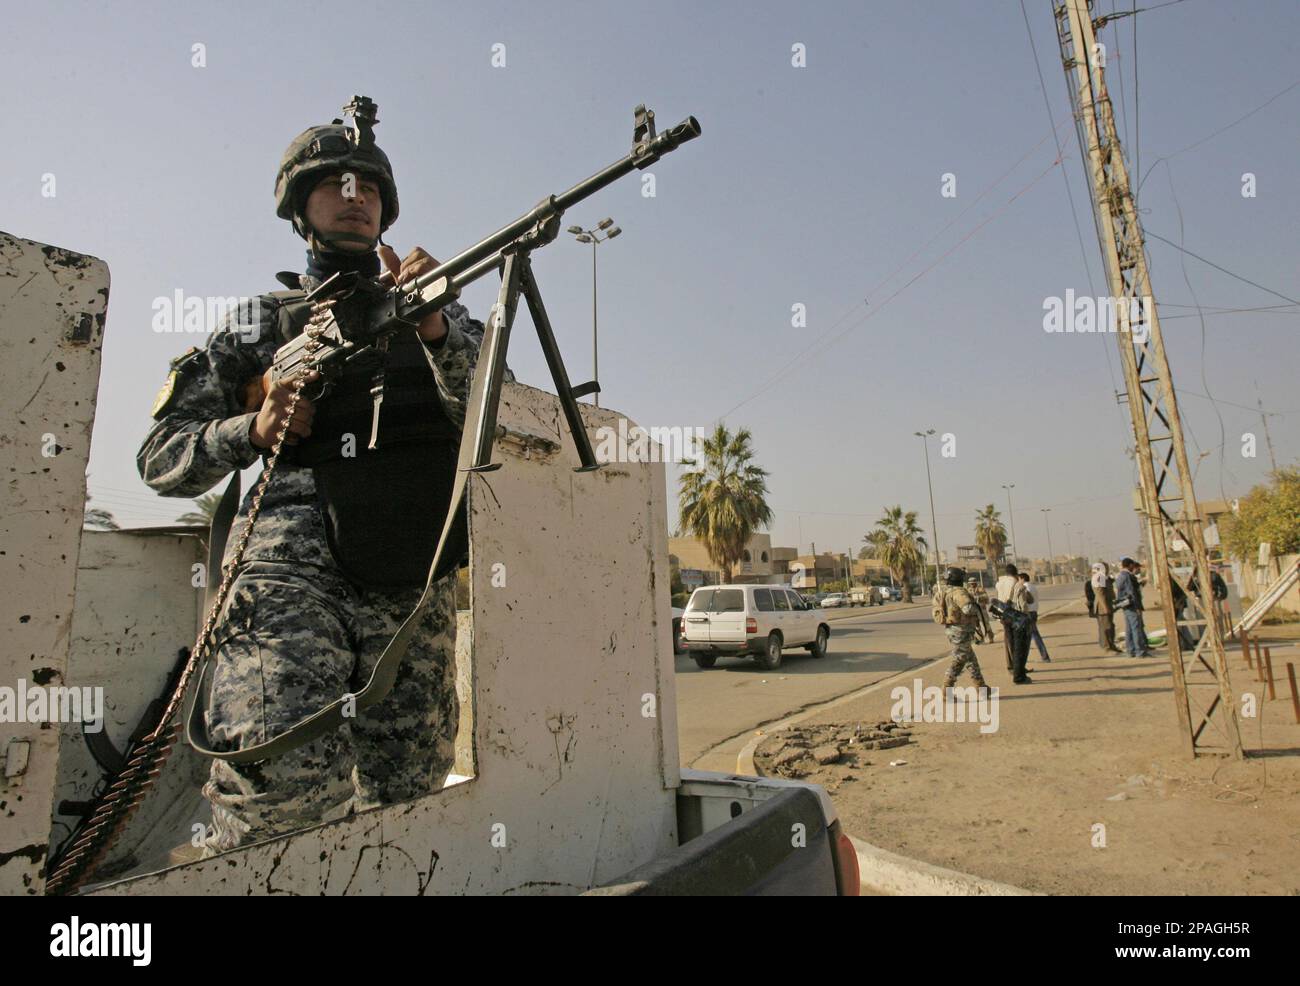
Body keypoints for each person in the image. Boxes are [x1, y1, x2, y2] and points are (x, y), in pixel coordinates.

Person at [138, 98, 492, 853]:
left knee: (412, 802)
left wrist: (432, 328)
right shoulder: (260, 322)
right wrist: (252, 428)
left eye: (369, 186)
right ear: (300, 206)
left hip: (410, 585)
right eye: (335, 183)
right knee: (281, 797)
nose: (355, 196)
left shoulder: (446, 317)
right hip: (286, 578)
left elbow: (505, 426)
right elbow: (160, 455)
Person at [933, 567, 990, 694]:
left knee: (971, 660)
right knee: (959, 659)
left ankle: (981, 687)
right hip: (961, 631)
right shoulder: (959, 592)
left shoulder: (943, 592)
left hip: (952, 629)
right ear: (958, 579)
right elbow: (968, 609)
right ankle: (946, 688)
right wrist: (977, 605)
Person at [995, 563, 1031, 682]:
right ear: (1016, 574)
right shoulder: (1017, 585)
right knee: (1020, 646)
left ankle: (1014, 667)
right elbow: (1023, 604)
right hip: (1017, 617)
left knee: (1009, 642)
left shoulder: (999, 583)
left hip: (1004, 616)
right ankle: (1018, 673)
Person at [1114, 556, 1154, 657]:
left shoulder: (1120, 576)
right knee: (1136, 628)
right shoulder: (1127, 576)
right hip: (1131, 605)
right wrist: (1137, 607)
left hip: (1125, 606)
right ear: (1130, 565)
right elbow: (1132, 592)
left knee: (1129, 629)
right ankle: (1140, 651)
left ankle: (1130, 650)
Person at [1017, 571, 1051, 662]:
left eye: (1019, 579)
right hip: (1034, 612)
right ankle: (1024, 658)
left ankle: (1045, 656)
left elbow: (1026, 601)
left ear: (1023, 579)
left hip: (1028, 613)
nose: (1018, 581)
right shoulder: (1033, 586)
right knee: (1028, 636)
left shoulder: (1025, 588)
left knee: (1034, 635)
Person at [1091, 562, 1121, 653]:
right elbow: (1100, 594)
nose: (1107, 570)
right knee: (1105, 627)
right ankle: (1107, 646)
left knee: (1110, 625)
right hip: (1102, 607)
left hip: (1107, 605)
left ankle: (1111, 645)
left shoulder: (1103, 577)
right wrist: (1105, 607)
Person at [966, 575, 995, 644]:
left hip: (981, 609)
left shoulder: (980, 589)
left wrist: (978, 597)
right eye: (971, 583)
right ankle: (981, 639)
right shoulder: (968, 590)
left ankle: (991, 638)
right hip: (973, 610)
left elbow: (986, 597)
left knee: (986, 624)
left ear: (976, 583)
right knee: (977, 626)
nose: (972, 584)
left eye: (973, 583)